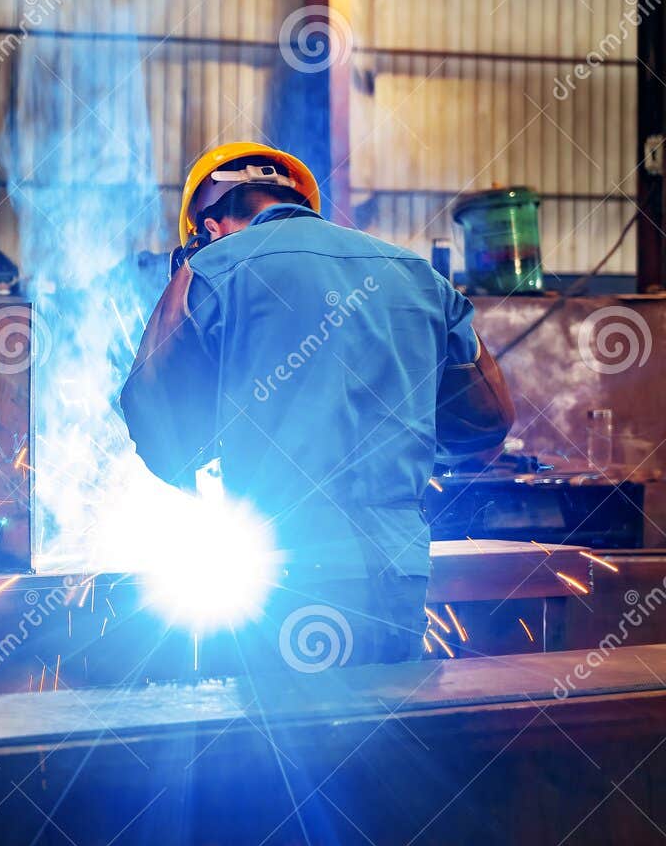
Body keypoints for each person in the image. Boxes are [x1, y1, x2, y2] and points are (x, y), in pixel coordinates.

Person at [120, 142, 515, 670]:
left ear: (207, 226)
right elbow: (486, 421)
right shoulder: (416, 273)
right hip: (400, 572)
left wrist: (209, 465)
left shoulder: (212, 269)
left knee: (279, 742)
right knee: (393, 736)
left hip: (279, 573)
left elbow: (159, 426)